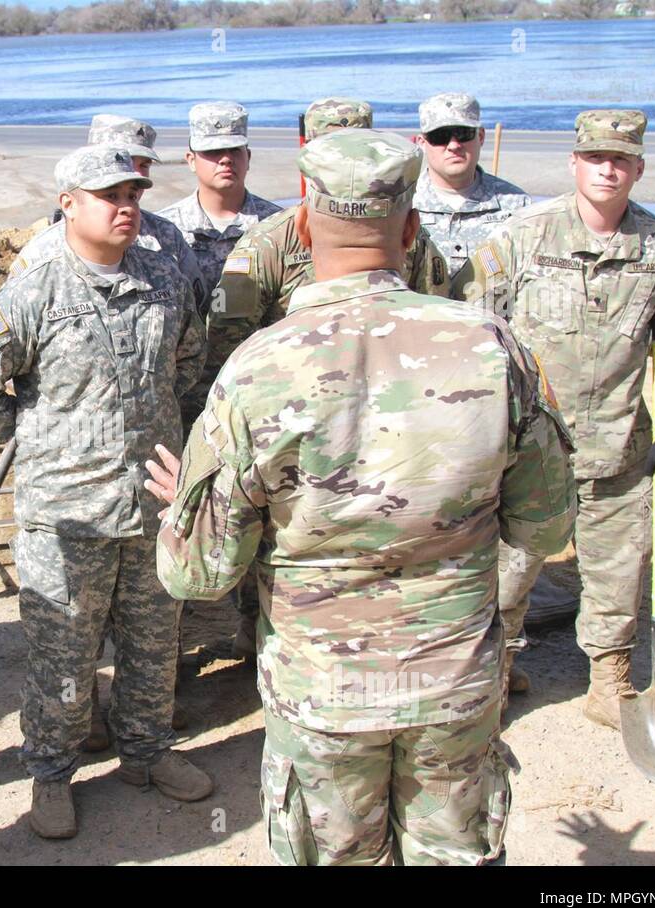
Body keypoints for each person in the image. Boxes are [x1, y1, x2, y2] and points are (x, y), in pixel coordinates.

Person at [150, 128, 575, 865]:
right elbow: (545, 527)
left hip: (326, 696)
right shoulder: (492, 345)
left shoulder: (259, 367)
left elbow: (200, 576)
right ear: (411, 229)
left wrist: (183, 509)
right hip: (453, 685)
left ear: (305, 225)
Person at [0, 145, 212, 840]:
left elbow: (187, 360)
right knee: (64, 660)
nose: (126, 206)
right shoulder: (36, 289)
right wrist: (39, 440)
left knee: (154, 647)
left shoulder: (161, 276)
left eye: (134, 192)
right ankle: (52, 774)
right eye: (108, 195)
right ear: (68, 203)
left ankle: (147, 753)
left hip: (152, 506)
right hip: (66, 517)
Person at [453, 109, 655, 727]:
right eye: (596, 157)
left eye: (621, 159)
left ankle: (610, 678)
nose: (608, 169)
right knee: (510, 570)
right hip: (529, 450)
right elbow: (469, 327)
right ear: (574, 163)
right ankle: (496, 668)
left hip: (623, 448)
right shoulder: (521, 239)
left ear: (639, 169)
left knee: (618, 573)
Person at [206, 97, 452, 659]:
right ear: (305, 157)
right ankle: (260, 624)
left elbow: (442, 320)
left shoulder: (415, 241)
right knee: (284, 535)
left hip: (397, 413)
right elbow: (225, 346)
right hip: (300, 424)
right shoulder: (265, 246)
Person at [10, 114, 208, 313]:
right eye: (126, 162)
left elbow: (197, 307)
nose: (135, 174)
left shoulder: (165, 235)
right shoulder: (43, 250)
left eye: (144, 165)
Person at [155, 101, 280, 318]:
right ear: (191, 160)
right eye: (213, 151)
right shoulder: (164, 230)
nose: (226, 159)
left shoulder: (277, 224)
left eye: (234, 150)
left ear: (247, 158)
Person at [412, 93, 531, 279]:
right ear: (422, 143)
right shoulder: (404, 204)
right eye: (440, 136)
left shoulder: (517, 207)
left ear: (481, 136)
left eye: (462, 134)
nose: (453, 145)